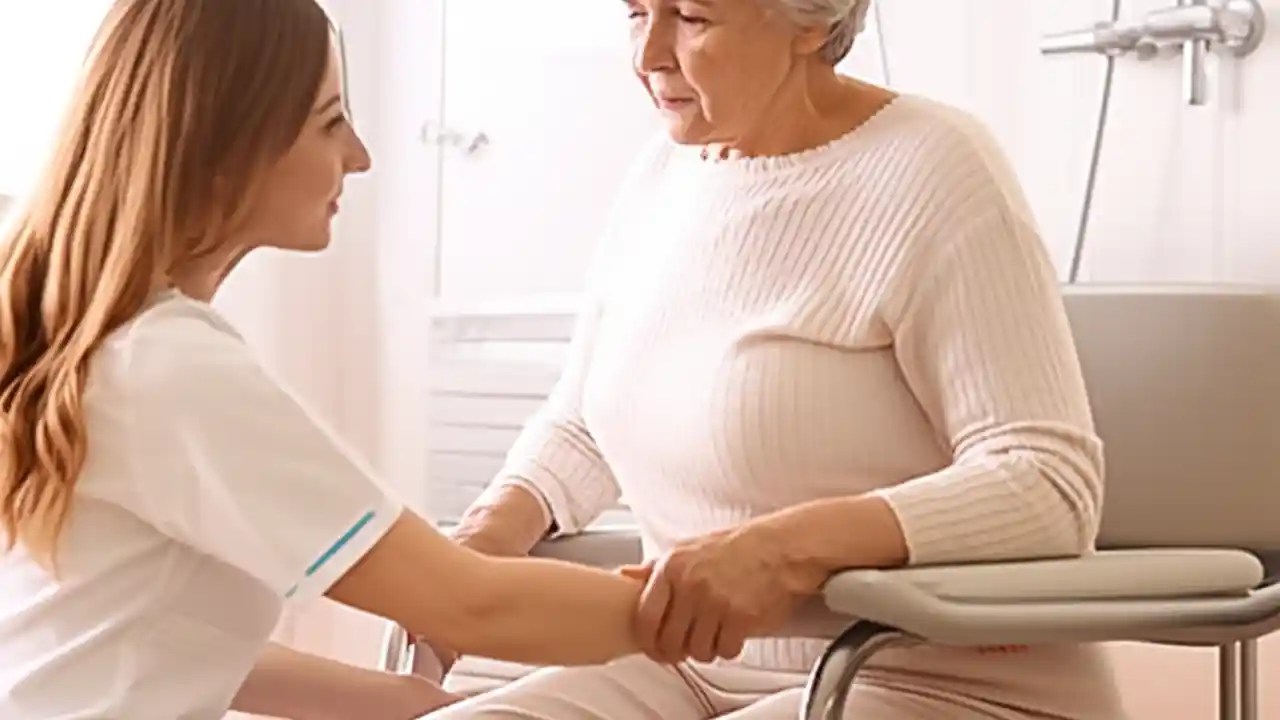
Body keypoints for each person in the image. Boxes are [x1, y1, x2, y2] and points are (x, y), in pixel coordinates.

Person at [424, 0, 1128, 718]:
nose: (649, 55)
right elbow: (584, 424)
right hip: (688, 667)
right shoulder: (662, 176)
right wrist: (480, 543)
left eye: (692, 18)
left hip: (929, 676)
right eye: (637, 12)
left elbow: (1048, 482)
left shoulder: (937, 167)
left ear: (812, 21)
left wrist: (783, 551)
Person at [0, 1, 667, 718]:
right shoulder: (171, 371)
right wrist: (731, 599)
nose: (360, 154)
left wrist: (400, 698)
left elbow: (142, 634)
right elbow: (472, 605)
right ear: (226, 151)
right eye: (329, 121)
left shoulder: (105, 343)